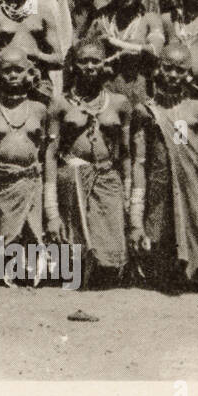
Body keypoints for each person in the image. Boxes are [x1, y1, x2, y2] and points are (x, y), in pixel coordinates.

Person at [129, 43, 198, 291]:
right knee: (159, 261)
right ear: (158, 69)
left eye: (179, 70)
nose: (172, 75)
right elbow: (139, 164)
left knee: (197, 274)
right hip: (159, 190)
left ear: (188, 73)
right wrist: (136, 221)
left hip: (192, 190)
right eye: (167, 68)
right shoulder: (145, 111)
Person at [49, 40, 133, 287]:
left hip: (107, 177)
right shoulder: (60, 103)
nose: (90, 66)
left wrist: (128, 193)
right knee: (75, 244)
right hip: (72, 177)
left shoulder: (119, 103)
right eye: (83, 61)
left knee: (110, 250)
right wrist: (50, 205)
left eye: (95, 60)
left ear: (104, 64)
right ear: (74, 65)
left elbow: (127, 152)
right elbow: (51, 153)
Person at [0, 47, 57, 284]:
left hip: (31, 181)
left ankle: (30, 274)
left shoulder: (40, 109)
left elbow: (45, 154)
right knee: (2, 232)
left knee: (32, 231)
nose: (13, 75)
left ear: (30, 75)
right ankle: (3, 272)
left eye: (18, 70)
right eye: (6, 70)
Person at [87, 0, 165, 107]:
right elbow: (85, 48)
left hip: (136, 92)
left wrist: (115, 42)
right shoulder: (103, 18)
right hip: (103, 90)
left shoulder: (150, 19)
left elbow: (155, 50)